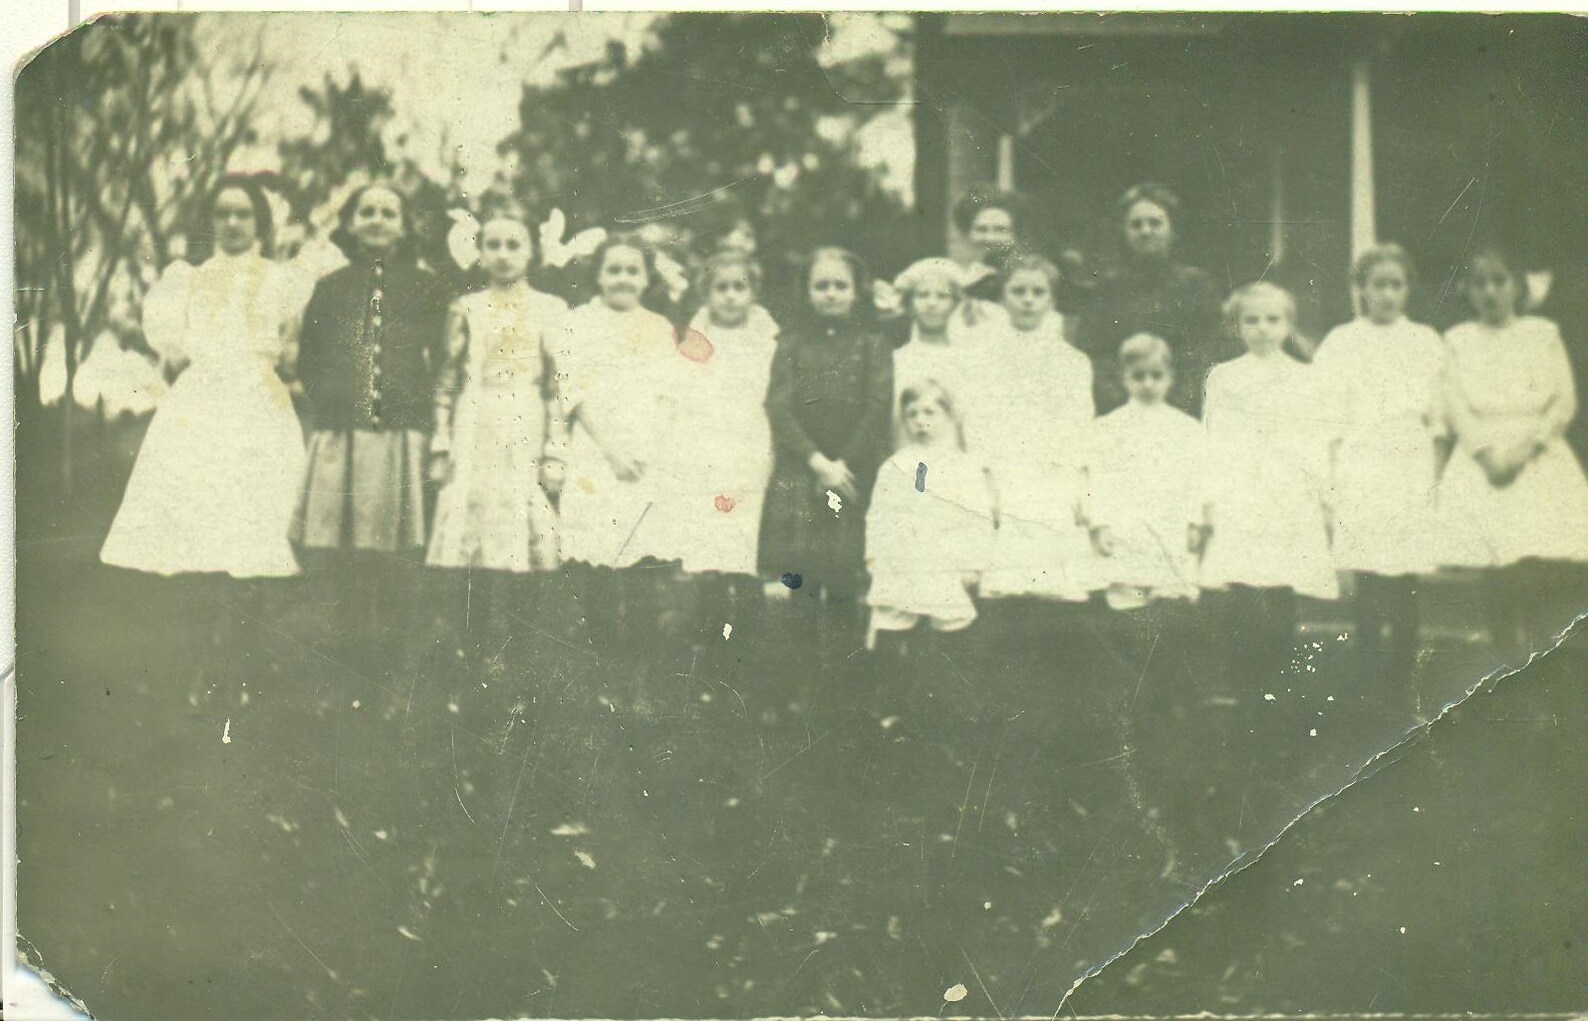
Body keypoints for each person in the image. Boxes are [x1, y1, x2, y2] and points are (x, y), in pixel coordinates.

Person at [102, 174, 311, 580]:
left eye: (243, 214)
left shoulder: (281, 279)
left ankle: (253, 596)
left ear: (259, 222)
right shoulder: (188, 278)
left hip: (259, 395)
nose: (232, 223)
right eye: (223, 213)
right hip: (202, 396)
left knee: (255, 494)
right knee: (198, 491)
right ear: (211, 221)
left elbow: (292, 340)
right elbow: (170, 341)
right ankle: (202, 596)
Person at [291, 182, 450, 652]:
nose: (377, 220)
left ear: (403, 226)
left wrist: (420, 408)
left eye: (388, 212)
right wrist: (334, 401)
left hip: (402, 431)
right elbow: (309, 358)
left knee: (396, 544)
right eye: (367, 211)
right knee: (344, 543)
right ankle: (346, 642)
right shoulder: (330, 287)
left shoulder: (426, 287)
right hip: (344, 430)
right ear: (351, 224)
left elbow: (443, 357)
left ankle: (394, 646)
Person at [425, 206, 568, 667]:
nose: (503, 255)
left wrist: (555, 451)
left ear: (532, 251)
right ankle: (476, 654)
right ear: (480, 252)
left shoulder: (550, 308)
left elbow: (557, 386)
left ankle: (522, 654)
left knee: (524, 535)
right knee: (476, 538)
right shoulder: (465, 308)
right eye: (493, 245)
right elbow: (447, 380)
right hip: (475, 424)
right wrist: (441, 441)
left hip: (526, 426)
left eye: (513, 245)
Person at [1434, 244, 1588, 663]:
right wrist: (1486, 455)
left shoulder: (1543, 333)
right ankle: (1506, 660)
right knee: (1496, 564)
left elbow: (1564, 399)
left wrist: (1528, 447)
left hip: (1537, 457)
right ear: (1467, 290)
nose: (1490, 291)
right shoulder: (1458, 340)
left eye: (1499, 281)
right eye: (1479, 283)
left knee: (1537, 560)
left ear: (1518, 287)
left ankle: (1543, 659)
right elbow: (1454, 404)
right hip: (1483, 460)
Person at [1313, 244, 1446, 686]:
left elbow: (1438, 417)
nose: (1387, 294)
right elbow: (1325, 415)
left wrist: (1435, 478)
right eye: (1378, 285)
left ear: (1408, 289)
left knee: (1405, 570)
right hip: (1362, 462)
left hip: (1409, 461)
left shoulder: (1425, 341)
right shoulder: (1341, 342)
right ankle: (1367, 667)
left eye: (1396, 285)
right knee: (1367, 567)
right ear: (1361, 289)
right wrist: (1332, 477)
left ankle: (1403, 668)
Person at [554, 235, 691, 652]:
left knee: (642, 552)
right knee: (598, 553)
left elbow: (669, 394)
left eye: (633, 271)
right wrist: (612, 451)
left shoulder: (659, 327)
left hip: (645, 451)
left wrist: (646, 451)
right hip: (597, 450)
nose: (622, 279)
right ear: (597, 275)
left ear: (647, 279)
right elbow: (573, 392)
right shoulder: (579, 321)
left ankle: (641, 653)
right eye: (613, 270)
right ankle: (601, 651)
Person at [1200, 282, 1337, 699]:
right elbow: (1214, 440)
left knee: (1281, 586)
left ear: (1288, 325)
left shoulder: (1306, 378)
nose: (1262, 328)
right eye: (1252, 320)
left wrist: (1322, 498)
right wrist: (1212, 499)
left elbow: (1316, 441)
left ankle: (1279, 684)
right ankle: (1244, 683)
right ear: (1237, 326)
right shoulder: (1224, 377)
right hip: (1242, 490)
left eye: (1272, 319)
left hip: (1286, 492)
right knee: (1242, 585)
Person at [760, 246, 894, 653]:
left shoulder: (873, 343)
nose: (831, 293)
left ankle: (843, 676)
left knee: (843, 575)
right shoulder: (790, 343)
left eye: (840, 285)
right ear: (807, 292)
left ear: (856, 291)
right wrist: (818, 462)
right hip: (802, 473)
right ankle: (800, 678)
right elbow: (778, 406)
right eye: (821, 286)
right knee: (800, 577)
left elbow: (878, 406)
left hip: (852, 475)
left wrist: (842, 464)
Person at [969, 251, 1097, 606]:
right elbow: (977, 423)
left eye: (1038, 292)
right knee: (1007, 585)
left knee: (1055, 583)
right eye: (1018, 291)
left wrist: (1078, 486)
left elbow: (1079, 427)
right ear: (1002, 297)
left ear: (1052, 299)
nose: (1028, 300)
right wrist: (985, 483)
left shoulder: (1072, 361)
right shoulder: (983, 358)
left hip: (1053, 476)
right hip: (1004, 473)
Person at [669, 250, 780, 630]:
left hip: (750, 440)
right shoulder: (696, 338)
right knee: (710, 533)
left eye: (739, 287)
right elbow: (683, 393)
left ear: (753, 293)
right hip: (707, 442)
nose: (731, 296)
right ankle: (710, 627)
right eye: (721, 288)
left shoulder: (766, 336)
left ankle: (748, 630)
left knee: (744, 531)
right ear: (706, 293)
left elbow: (773, 390)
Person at [864, 381, 995, 653]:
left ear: (948, 416)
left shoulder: (964, 466)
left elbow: (978, 519)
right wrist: (874, 557)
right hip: (900, 561)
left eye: (929, 412)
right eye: (911, 414)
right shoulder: (894, 466)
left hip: (945, 560)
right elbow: (878, 517)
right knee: (891, 620)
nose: (919, 421)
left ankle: (947, 674)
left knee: (951, 620)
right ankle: (892, 673)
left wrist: (973, 564)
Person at [1080, 183, 1229, 416]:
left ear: (1173, 229)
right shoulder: (1108, 288)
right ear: (1124, 231)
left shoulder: (1197, 286)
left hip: (1181, 411)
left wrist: (1172, 405)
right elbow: (1094, 353)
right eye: (1136, 224)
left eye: (1155, 223)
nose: (1145, 231)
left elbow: (1206, 352)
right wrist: (1123, 404)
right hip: (1120, 411)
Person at [1085, 333, 1208, 611]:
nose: (1148, 384)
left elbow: (1196, 478)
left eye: (1156, 375)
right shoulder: (1108, 427)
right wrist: (1100, 524)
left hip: (1170, 519)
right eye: (1138, 376)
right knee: (1127, 596)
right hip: (1126, 520)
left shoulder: (1186, 429)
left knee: (1170, 596)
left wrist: (1194, 521)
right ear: (1124, 378)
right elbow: (1099, 479)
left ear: (1170, 377)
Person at [887, 257, 974, 443]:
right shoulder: (898, 359)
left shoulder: (967, 357)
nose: (932, 303)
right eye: (922, 295)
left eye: (942, 296)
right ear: (909, 304)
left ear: (955, 303)